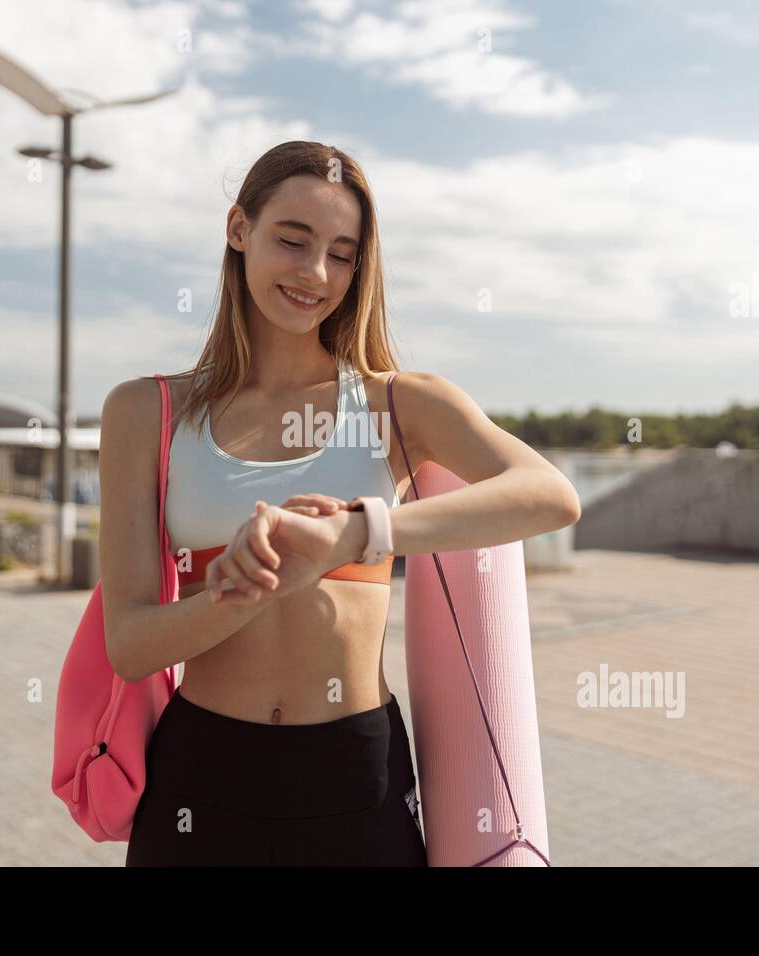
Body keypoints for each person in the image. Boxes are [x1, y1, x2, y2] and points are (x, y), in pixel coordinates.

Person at [100, 140, 580, 866]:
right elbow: (131, 647)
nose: (315, 273)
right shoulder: (147, 410)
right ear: (239, 230)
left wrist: (359, 534)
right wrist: (245, 589)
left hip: (357, 774)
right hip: (200, 777)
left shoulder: (400, 402)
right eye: (292, 240)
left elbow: (549, 496)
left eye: (342, 253)